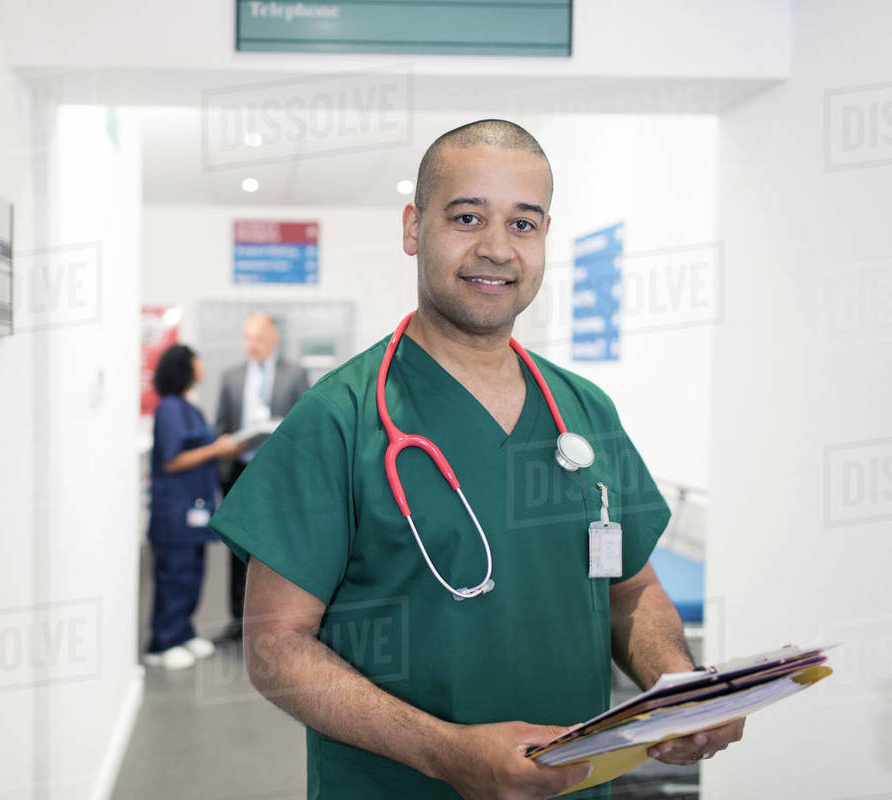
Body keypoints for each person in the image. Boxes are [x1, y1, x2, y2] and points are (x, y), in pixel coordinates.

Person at [209, 120, 744, 798]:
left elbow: (630, 591)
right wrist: (445, 753)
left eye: (524, 225)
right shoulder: (337, 419)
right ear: (413, 227)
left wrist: (673, 684)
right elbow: (274, 647)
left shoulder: (585, 411)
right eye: (467, 217)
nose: (496, 248)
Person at [143, 343, 240, 671]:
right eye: (197, 358)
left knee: (192, 575)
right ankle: (162, 642)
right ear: (185, 366)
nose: (203, 363)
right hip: (174, 512)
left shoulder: (189, 407)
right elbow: (172, 461)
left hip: (195, 511)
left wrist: (218, 449)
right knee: (174, 575)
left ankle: (183, 632)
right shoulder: (170, 408)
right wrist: (215, 449)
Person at [214, 312, 310, 638]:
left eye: (257, 338)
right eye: (247, 338)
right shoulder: (231, 377)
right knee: (236, 546)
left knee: (274, 549)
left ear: (275, 339)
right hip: (239, 470)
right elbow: (221, 427)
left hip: (276, 474)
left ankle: (271, 618)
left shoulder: (295, 375)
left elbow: (304, 425)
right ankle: (236, 620)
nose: (250, 345)